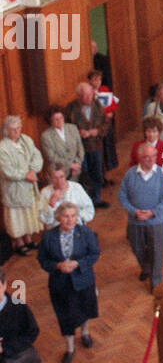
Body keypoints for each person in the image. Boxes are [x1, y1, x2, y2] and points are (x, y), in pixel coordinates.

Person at [38, 202, 101, 363]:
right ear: (58, 217)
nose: (70, 220)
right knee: (65, 316)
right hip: (60, 283)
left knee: (86, 308)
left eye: (73, 216)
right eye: (66, 216)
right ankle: (70, 348)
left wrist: (78, 263)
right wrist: (57, 266)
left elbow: (94, 253)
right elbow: (42, 260)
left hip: (83, 280)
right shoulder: (48, 236)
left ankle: (85, 333)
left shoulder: (85, 232)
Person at [117, 141, 163, 289]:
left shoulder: (161, 174)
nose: (152, 159)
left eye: (154, 156)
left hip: (156, 221)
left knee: (156, 251)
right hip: (135, 220)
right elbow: (122, 196)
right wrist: (134, 211)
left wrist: (153, 212)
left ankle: (156, 280)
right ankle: (146, 268)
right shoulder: (130, 175)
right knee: (137, 248)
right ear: (140, 158)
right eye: (147, 157)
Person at [0, 115, 44, 255]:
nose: (17, 132)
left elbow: (37, 156)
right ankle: (19, 243)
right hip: (14, 188)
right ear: (6, 131)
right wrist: (25, 174)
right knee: (17, 216)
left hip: (29, 185)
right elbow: (6, 170)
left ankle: (29, 239)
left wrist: (33, 170)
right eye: (13, 130)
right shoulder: (2, 147)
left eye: (18, 128)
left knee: (28, 213)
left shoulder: (26, 140)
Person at [65, 81, 109, 208]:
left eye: (90, 94)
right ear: (78, 96)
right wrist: (78, 132)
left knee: (97, 173)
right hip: (80, 149)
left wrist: (97, 131)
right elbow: (66, 128)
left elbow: (106, 124)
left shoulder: (97, 105)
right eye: (85, 96)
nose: (89, 98)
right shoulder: (70, 109)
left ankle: (96, 199)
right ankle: (84, 202)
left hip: (96, 145)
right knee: (83, 175)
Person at [38, 162, 95, 228]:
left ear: (65, 175)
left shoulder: (76, 187)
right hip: (56, 230)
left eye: (61, 177)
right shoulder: (45, 192)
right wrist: (51, 204)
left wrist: (76, 217)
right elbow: (44, 220)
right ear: (49, 178)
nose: (59, 181)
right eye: (55, 178)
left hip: (76, 227)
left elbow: (89, 209)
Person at [130, 117, 163, 196]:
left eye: (154, 131)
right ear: (145, 132)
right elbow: (133, 166)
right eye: (148, 131)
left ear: (159, 132)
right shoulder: (136, 146)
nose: (151, 134)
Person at [89, 68, 119, 184]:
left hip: (106, 123)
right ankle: (100, 176)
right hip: (96, 125)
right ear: (90, 80)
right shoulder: (88, 93)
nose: (97, 82)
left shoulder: (104, 89)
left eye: (99, 79)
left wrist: (110, 112)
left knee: (108, 148)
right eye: (95, 79)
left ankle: (107, 174)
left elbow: (112, 104)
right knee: (99, 150)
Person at [40, 106, 84, 180]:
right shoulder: (46, 136)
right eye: (56, 119)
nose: (60, 120)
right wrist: (70, 165)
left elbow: (80, 148)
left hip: (76, 171)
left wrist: (77, 164)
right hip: (57, 173)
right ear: (50, 121)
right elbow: (51, 157)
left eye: (61, 117)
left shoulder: (73, 128)